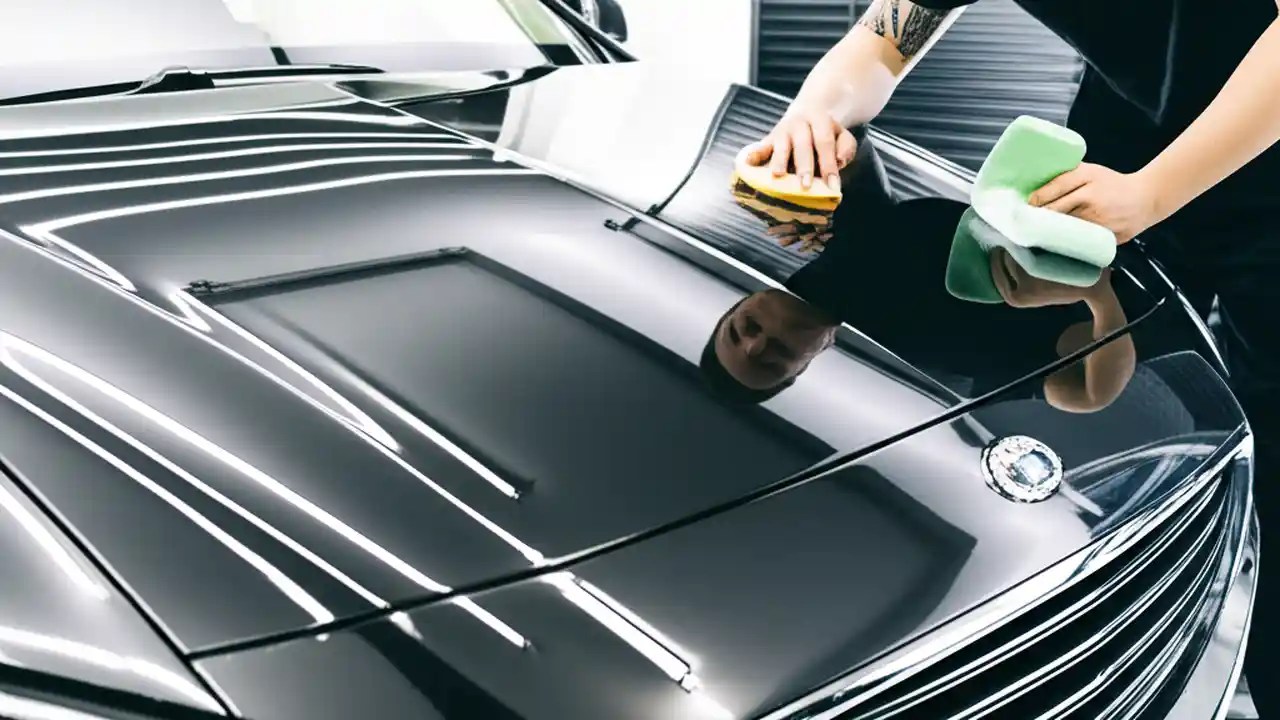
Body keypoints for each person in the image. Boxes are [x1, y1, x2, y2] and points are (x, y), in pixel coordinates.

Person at [742, 0, 1279, 711]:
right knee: (1127, 433)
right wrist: (814, 114)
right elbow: (878, 47)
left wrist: (1154, 192)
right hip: (1130, 137)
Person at [702, 194, 1137, 412]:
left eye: (740, 332)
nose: (756, 346)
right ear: (803, 367)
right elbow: (1088, 393)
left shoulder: (818, 228)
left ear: (746, 301)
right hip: (1155, 271)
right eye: (767, 364)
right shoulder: (916, 360)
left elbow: (849, 133)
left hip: (1097, 181)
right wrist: (1097, 295)